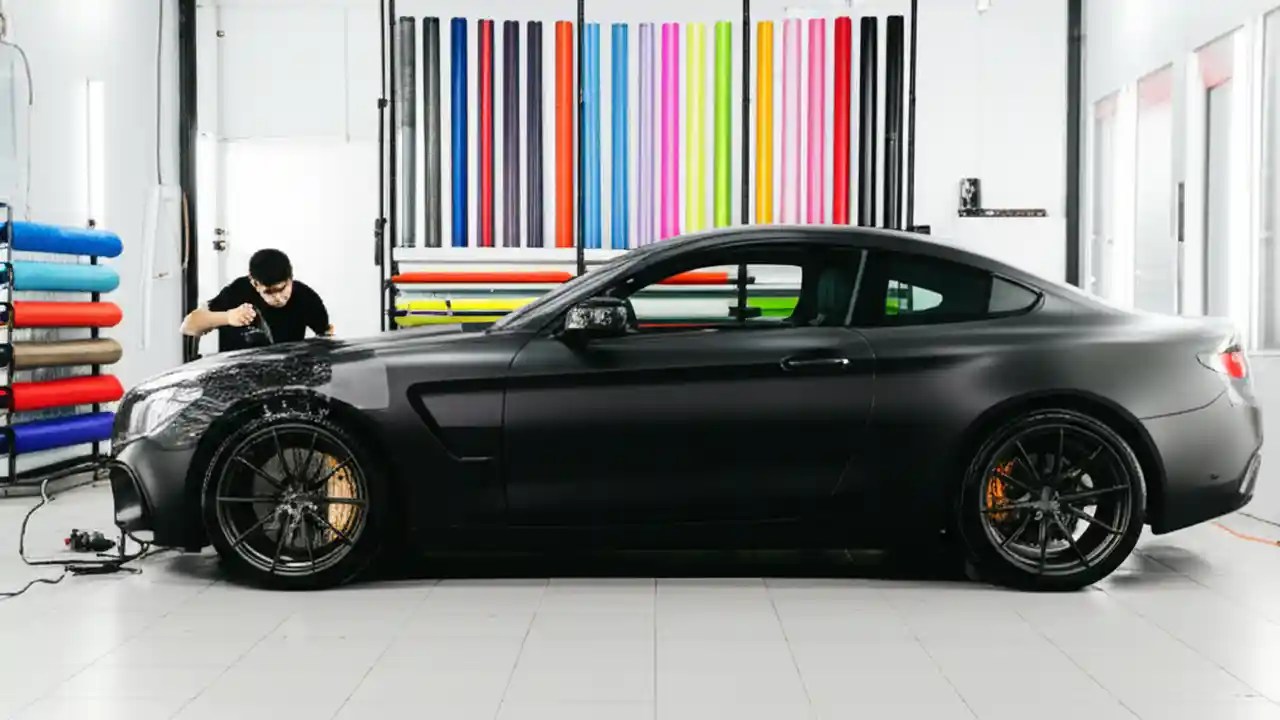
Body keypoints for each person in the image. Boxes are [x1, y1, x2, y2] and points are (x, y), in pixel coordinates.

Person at [180, 248, 332, 352]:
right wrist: (227, 317)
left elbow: (326, 337)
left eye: (282, 289)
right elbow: (188, 326)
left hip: (284, 379)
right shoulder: (237, 291)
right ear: (255, 284)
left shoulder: (305, 297)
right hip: (236, 379)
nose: (278, 298)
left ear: (290, 279)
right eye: (269, 292)